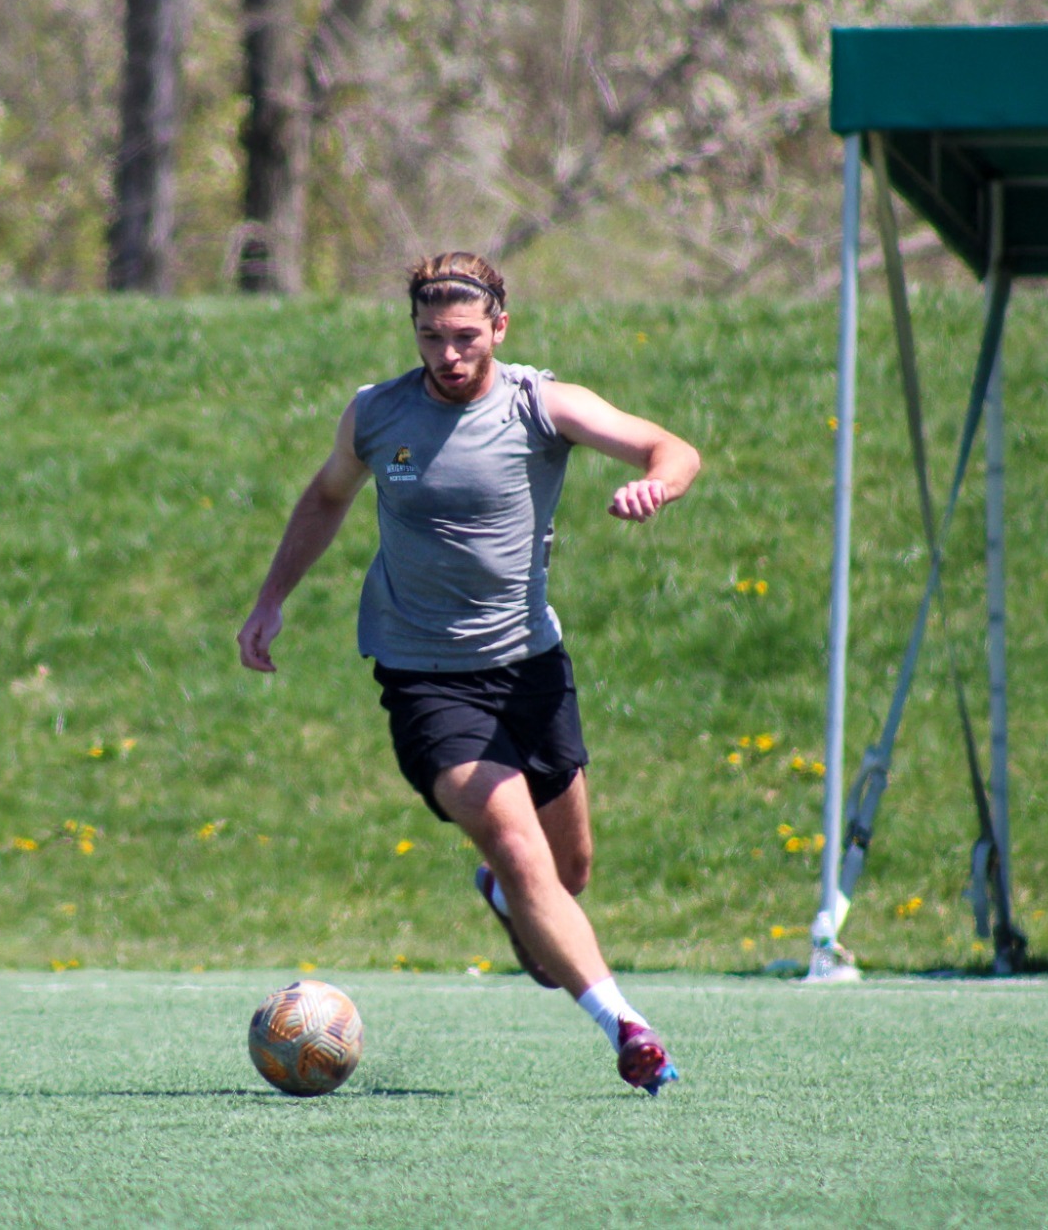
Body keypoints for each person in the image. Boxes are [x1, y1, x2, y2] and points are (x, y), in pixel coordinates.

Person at [236, 251, 702, 1095]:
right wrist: (270, 599)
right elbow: (326, 497)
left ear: (499, 326)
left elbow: (669, 446)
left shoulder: (539, 403)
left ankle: (510, 900)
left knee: (567, 877)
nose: (447, 356)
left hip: (530, 667)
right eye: (429, 337)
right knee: (523, 852)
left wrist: (657, 487)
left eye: (462, 337)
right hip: (425, 680)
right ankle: (628, 1029)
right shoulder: (377, 414)